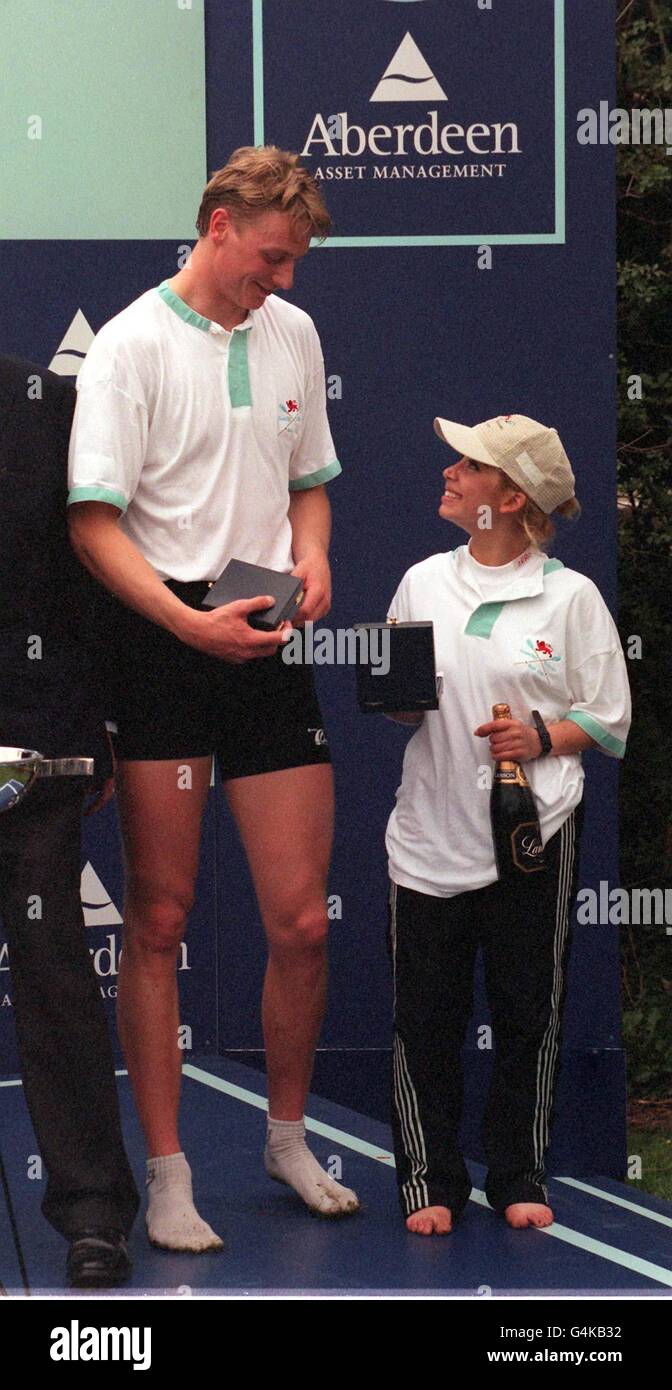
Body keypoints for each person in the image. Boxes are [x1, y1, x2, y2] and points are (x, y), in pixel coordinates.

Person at [66, 146, 359, 1253]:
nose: (280, 281)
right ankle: (170, 1174)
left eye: (293, 265)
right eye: (270, 259)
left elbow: (311, 485)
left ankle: (287, 1138)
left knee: (298, 919)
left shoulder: (294, 331)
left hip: (267, 627)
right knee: (162, 917)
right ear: (219, 225)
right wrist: (185, 623)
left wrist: (314, 556)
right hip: (162, 644)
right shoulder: (131, 346)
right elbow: (94, 522)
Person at [384, 413, 631, 1235]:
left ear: (511, 496)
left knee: (530, 1007)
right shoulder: (420, 581)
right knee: (425, 1013)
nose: (450, 473)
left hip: (534, 833)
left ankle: (520, 1171)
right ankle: (427, 1179)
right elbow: (401, 703)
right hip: (428, 834)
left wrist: (539, 736)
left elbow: (609, 720)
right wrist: (391, 691)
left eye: (469, 465)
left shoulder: (573, 598)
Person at [0, 353, 139, 1287]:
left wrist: (103, 724)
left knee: (55, 986)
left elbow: (94, 568)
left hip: (33, 752)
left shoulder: (47, 405)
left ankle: (93, 1218)